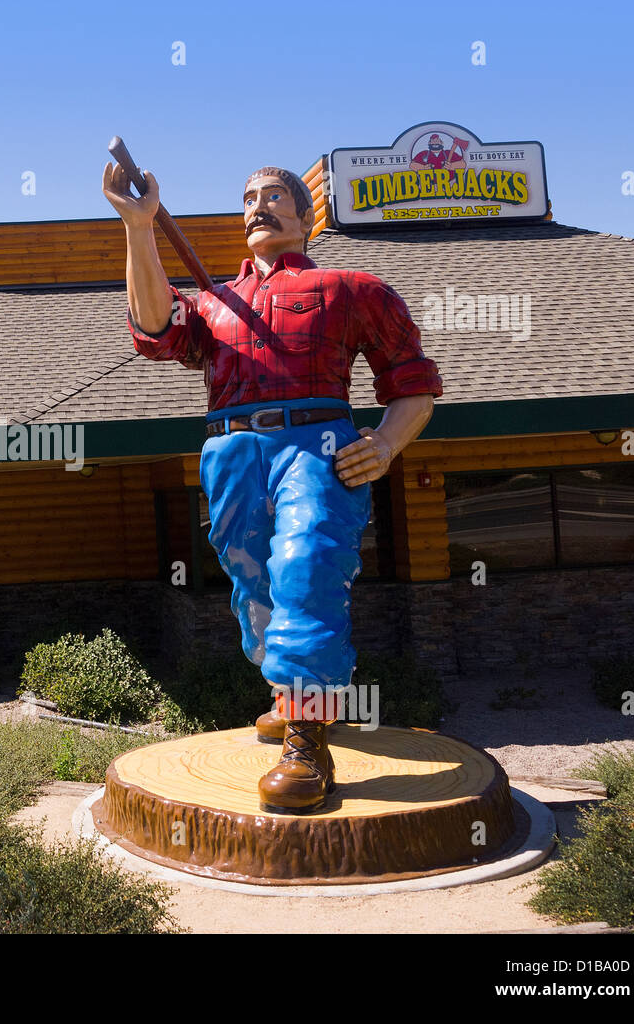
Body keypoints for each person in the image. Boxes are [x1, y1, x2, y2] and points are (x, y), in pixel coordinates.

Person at [102, 160, 443, 812]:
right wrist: (139, 227)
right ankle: (293, 695)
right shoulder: (213, 305)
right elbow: (152, 324)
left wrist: (385, 441)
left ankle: (306, 739)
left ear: (305, 214)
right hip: (230, 450)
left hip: (315, 446)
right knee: (251, 578)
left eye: (275, 196)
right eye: (250, 198)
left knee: (306, 568)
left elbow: (413, 381)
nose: (259, 206)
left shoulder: (354, 288)